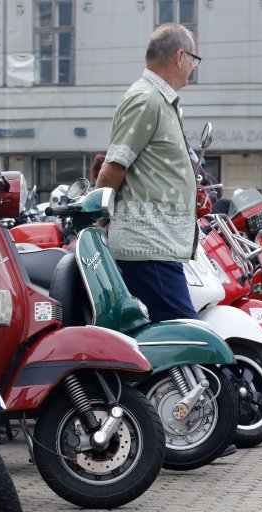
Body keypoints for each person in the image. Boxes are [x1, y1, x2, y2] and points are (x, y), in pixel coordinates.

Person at [95, 22, 201, 323]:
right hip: (148, 246)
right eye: (194, 59)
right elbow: (113, 168)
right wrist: (96, 222)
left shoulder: (159, 100)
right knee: (186, 333)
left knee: (166, 336)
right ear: (181, 56)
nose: (193, 67)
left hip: (158, 244)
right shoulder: (146, 99)